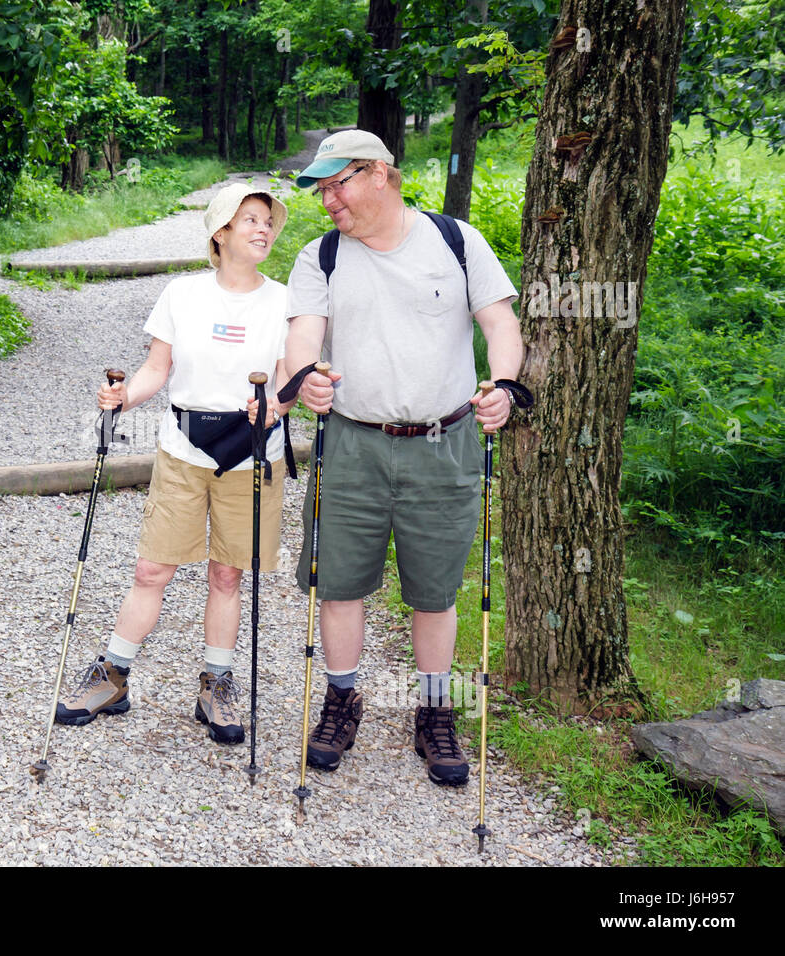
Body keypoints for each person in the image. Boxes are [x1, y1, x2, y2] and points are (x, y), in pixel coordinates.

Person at [284, 130, 524, 786]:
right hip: (352, 444)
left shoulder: (456, 241)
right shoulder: (322, 256)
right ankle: (341, 700)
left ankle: (435, 710)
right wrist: (304, 374)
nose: (330, 200)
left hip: (445, 445)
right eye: (322, 189)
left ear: (382, 173)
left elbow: (500, 323)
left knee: (434, 591)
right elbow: (301, 337)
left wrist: (501, 386)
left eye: (341, 184)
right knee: (338, 583)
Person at [54, 182, 295, 747]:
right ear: (221, 233)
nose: (263, 230)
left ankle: (216, 685)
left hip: (255, 450)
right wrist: (123, 398)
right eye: (251, 220)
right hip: (185, 448)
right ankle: (112, 676)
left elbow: (288, 375)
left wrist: (277, 404)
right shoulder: (182, 294)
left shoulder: (285, 300)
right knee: (152, 570)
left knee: (228, 573)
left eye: (268, 222)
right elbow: (156, 370)